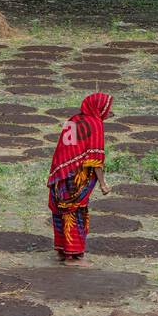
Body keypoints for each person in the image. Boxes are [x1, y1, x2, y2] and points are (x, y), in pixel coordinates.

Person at [47, 92, 112, 265]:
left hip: (60, 174)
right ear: (99, 108)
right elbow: (95, 160)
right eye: (106, 108)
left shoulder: (73, 120)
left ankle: (62, 251)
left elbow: (64, 149)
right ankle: (72, 256)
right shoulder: (94, 123)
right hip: (77, 177)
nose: (108, 111)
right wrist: (103, 184)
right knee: (76, 213)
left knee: (61, 212)